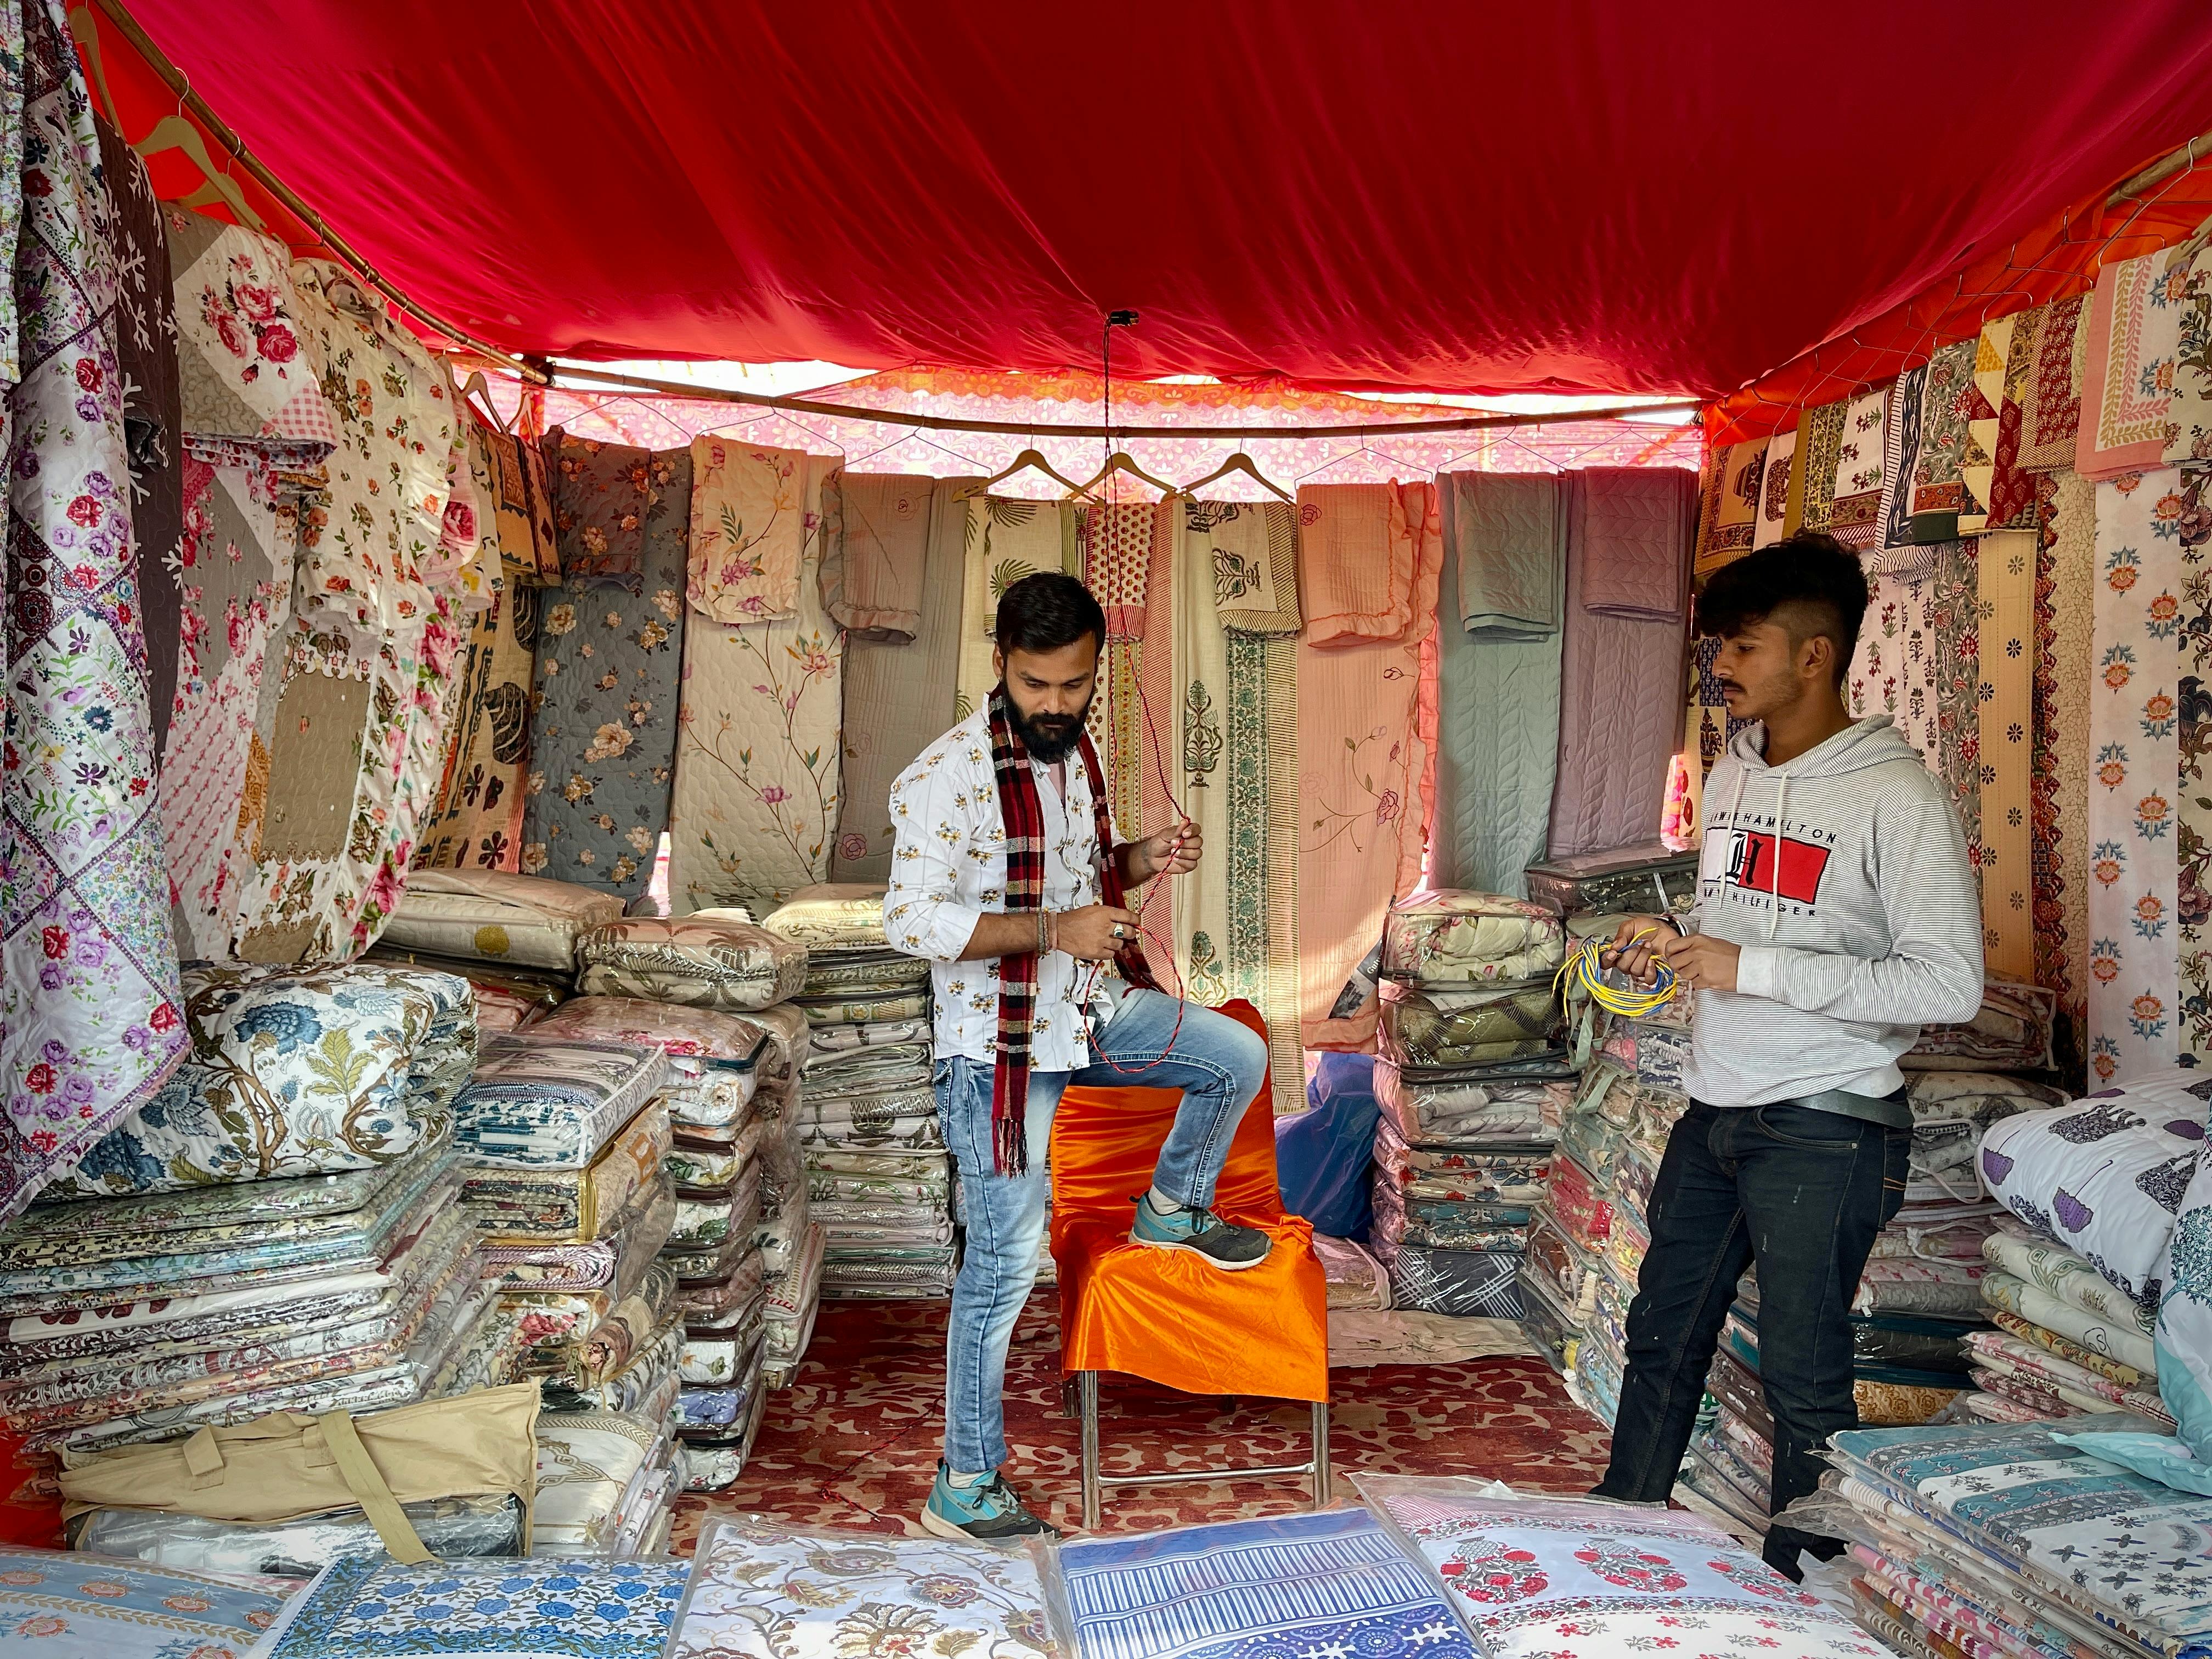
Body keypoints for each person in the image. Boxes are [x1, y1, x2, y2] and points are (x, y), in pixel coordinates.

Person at [1591, 532, 1984, 1577]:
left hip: (1828, 1119)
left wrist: (1750, 967)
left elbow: (1948, 984)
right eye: (1719, 645)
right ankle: (1616, 1534)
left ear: (1815, 655)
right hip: (1716, 1105)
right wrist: (1677, 945)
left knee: (1804, 1373)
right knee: (1662, 1335)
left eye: (1743, 646)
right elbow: (1742, 926)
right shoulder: (1733, 771)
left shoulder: (1896, 797)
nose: (1721, 666)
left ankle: (1803, 1594)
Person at [883, 571, 1273, 1542]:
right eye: (1036, 684)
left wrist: (1145, 855)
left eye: (1075, 684)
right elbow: (911, 922)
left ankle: (1171, 1209)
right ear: (1000, 664)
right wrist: (1057, 929)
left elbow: (1084, 869)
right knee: (1004, 1264)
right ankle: (963, 1484)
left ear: (1098, 669)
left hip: (1086, 1011)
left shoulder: (1073, 753)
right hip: (997, 1052)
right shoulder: (947, 775)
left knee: (1235, 1055)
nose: (1056, 704)